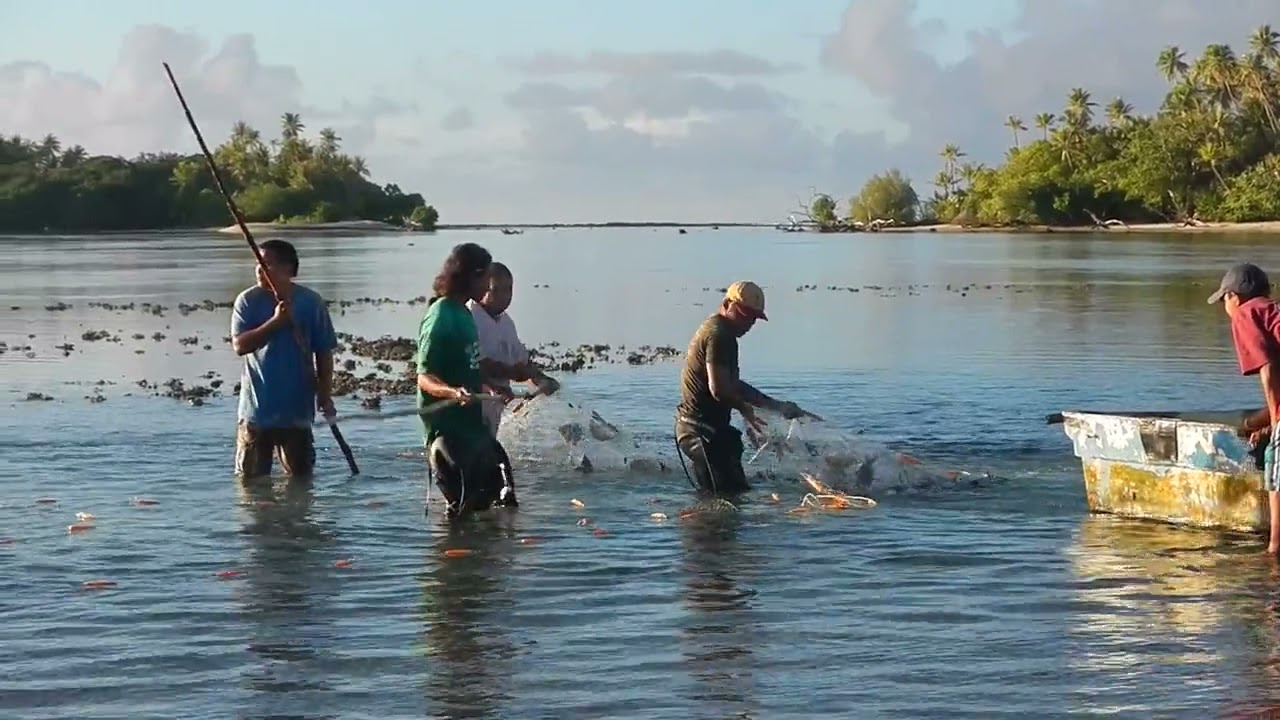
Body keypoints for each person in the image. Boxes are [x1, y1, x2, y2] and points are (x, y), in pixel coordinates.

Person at [674, 281, 811, 498]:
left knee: (724, 496)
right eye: (744, 314)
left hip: (702, 430)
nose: (748, 323)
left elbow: (733, 384)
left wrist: (775, 406)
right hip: (701, 433)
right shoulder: (719, 335)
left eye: (754, 318)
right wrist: (744, 408)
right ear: (726, 304)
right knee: (728, 497)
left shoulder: (722, 332)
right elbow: (719, 390)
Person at [415, 242, 519, 518]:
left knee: (504, 498)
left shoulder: (465, 313)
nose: (488, 285)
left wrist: (492, 388)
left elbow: (469, 364)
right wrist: (453, 392)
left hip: (473, 428)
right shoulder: (441, 315)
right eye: (485, 277)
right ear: (471, 276)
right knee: (462, 510)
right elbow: (424, 377)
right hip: (446, 432)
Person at [230, 239, 338, 479]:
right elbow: (240, 346)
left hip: (296, 411)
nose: (259, 270)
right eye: (258, 264)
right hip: (257, 409)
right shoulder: (247, 301)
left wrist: (324, 394)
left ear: (287, 268)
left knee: (301, 480)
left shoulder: (310, 302)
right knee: (250, 482)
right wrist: (276, 322)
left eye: (267, 264)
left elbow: (324, 352)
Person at [1210, 262, 1280, 554]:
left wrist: (1276, 421)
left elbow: (1268, 368)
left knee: (1276, 464)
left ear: (1233, 296)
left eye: (1223, 300)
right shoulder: (1272, 311)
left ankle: (1274, 550)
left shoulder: (1246, 313)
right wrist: (1266, 422)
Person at [468, 261, 561, 437]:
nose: (504, 296)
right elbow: (473, 366)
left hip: (494, 406)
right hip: (471, 406)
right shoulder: (470, 319)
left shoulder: (506, 322)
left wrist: (541, 380)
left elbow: (521, 362)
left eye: (508, 289)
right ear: (481, 289)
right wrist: (499, 384)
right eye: (496, 290)